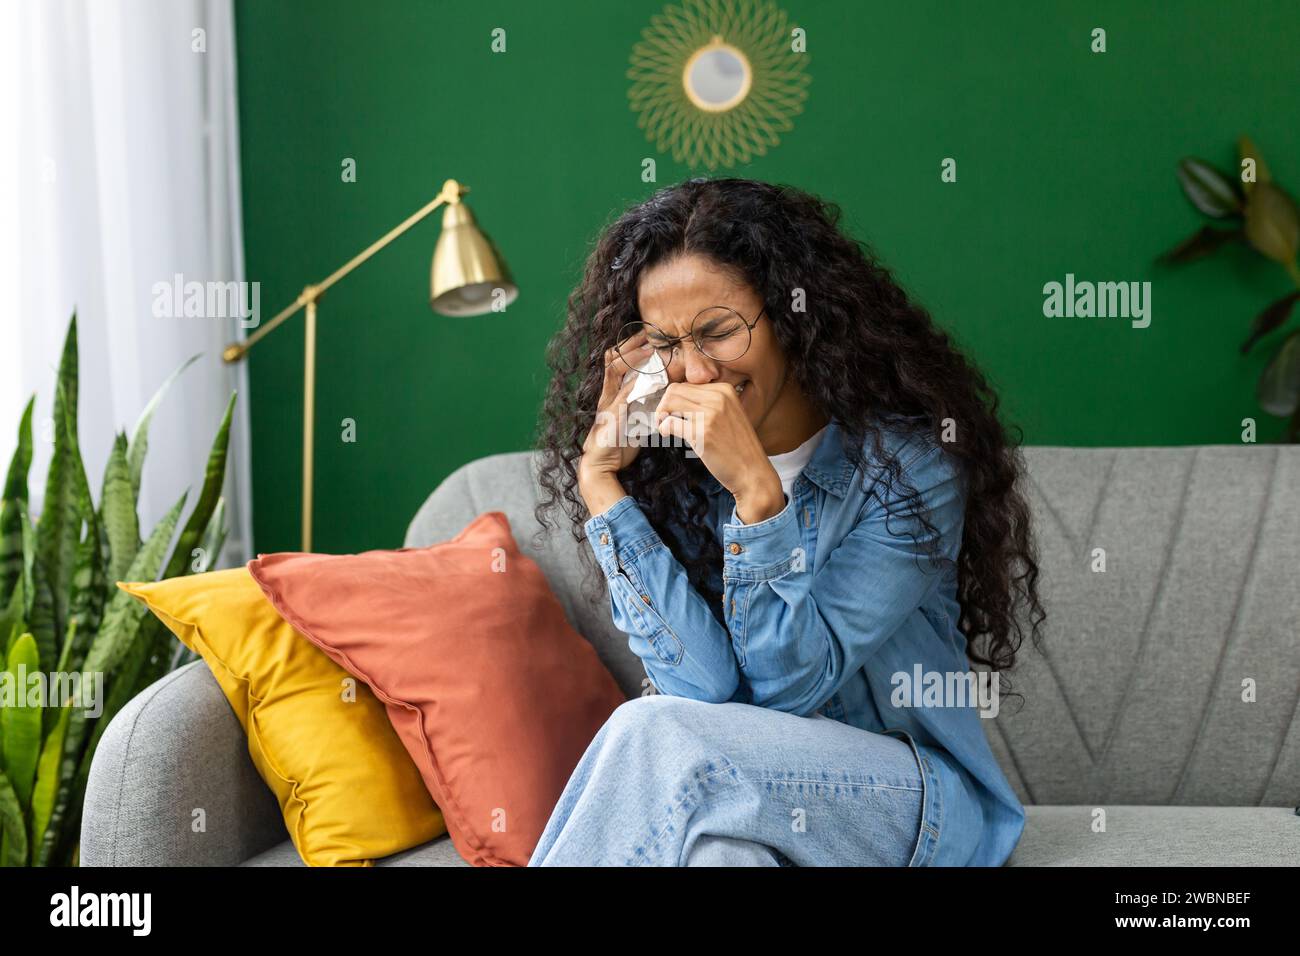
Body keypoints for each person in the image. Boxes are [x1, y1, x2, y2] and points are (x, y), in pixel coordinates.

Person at [528, 177, 1046, 866]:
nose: (693, 368)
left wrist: (757, 497)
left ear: (796, 319)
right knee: (718, 856)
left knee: (650, 730)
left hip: (910, 802)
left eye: (717, 331)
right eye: (665, 343)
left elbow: (787, 690)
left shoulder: (911, 471)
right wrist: (601, 487)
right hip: (760, 801)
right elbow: (703, 690)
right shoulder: (678, 478)